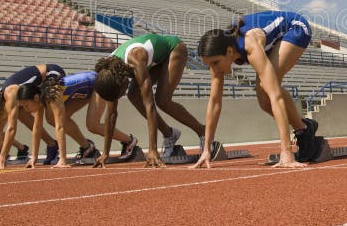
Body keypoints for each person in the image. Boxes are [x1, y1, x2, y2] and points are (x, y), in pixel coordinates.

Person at [194, 11, 319, 168]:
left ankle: (302, 131)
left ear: (230, 52)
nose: (213, 69)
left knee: (266, 89)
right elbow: (214, 104)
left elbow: (276, 96)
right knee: (263, 102)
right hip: (271, 40)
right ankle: (304, 127)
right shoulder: (219, 55)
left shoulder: (250, 45)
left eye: (215, 63)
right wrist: (206, 149)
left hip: (295, 28)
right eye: (208, 65)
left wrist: (286, 152)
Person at [93, 33, 203, 168]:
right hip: (155, 59)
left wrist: (152, 150)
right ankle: (170, 134)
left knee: (162, 100)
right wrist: (105, 153)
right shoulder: (109, 72)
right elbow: (111, 115)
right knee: (133, 95)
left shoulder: (136, 59)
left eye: (119, 95)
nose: (119, 98)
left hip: (174, 49)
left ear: (122, 82)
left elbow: (149, 105)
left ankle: (203, 131)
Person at [16, 70, 139, 163]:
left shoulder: (51, 95)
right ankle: (87, 147)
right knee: (51, 119)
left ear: (35, 98)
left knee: (92, 125)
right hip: (82, 91)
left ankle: (129, 141)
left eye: (26, 106)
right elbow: (37, 129)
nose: (26, 110)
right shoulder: (41, 100)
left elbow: (60, 127)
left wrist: (63, 159)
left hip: (96, 84)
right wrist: (34, 158)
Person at [0, 65, 67, 170]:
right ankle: (51, 146)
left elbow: (11, 128)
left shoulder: (9, 93)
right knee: (26, 114)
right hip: (38, 84)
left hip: (51, 73)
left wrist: (3, 156)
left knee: (50, 118)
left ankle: (84, 146)